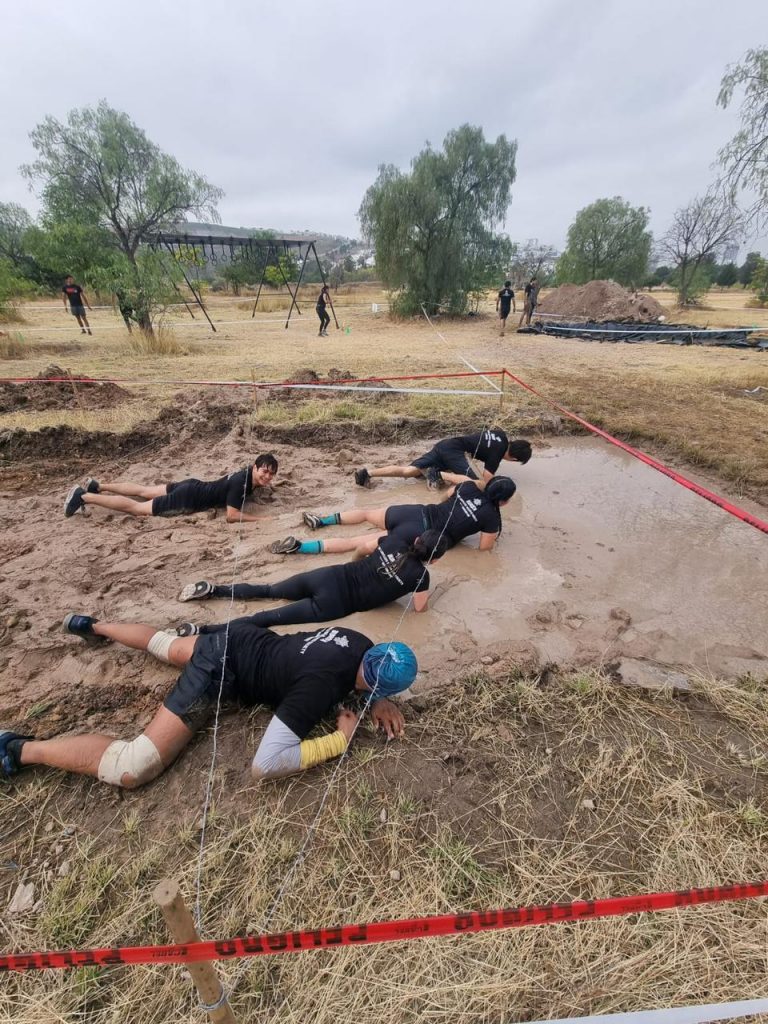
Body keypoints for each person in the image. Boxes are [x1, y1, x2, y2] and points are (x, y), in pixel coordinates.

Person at [0, 615, 417, 787]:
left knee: (166, 644)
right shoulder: (320, 688)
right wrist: (338, 741)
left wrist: (372, 699)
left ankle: (93, 625)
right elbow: (265, 764)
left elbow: (350, 673)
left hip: (244, 636)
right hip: (224, 669)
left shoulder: (361, 641)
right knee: (132, 765)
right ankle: (18, 748)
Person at [175, 530, 448, 635]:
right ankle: (201, 630)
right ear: (435, 560)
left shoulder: (397, 538)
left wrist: (352, 566)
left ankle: (214, 589)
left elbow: (363, 548)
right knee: (268, 617)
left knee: (269, 590)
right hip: (335, 604)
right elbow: (419, 611)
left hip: (329, 575)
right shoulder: (421, 577)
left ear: (416, 540)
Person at [269, 476, 516, 557]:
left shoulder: (470, 486)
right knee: (358, 543)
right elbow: (484, 550)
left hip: (416, 511)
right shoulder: (492, 518)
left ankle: (322, 520)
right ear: (503, 502)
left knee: (366, 514)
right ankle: (301, 548)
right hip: (423, 534)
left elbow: (447, 495)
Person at [63, 454, 279, 522]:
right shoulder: (240, 484)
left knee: (143, 491)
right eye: (264, 471)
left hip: (191, 485)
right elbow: (231, 516)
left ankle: (98, 485)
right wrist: (261, 520)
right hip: (188, 499)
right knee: (137, 508)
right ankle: (84, 496)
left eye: (271, 474)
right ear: (254, 467)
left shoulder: (245, 475)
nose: (267, 477)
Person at [354, 429, 531, 489]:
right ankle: (437, 474)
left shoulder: (500, 435)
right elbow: (487, 480)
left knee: (410, 471)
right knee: (475, 485)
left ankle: (367, 473)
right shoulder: (498, 455)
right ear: (514, 459)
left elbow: (480, 443)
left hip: (446, 444)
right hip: (455, 452)